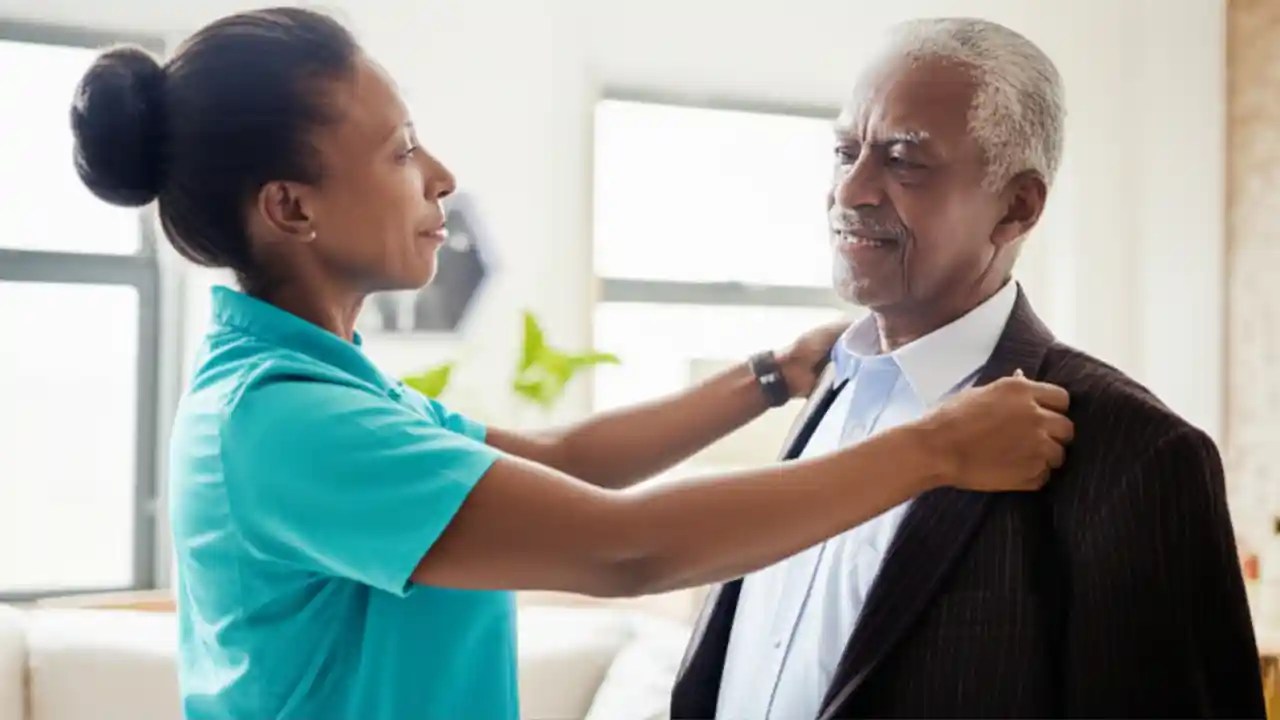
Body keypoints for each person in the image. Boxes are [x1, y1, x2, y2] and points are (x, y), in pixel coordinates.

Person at [70, 9, 1074, 720]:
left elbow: (567, 458)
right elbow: (620, 549)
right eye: (400, 151)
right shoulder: (283, 425)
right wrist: (933, 449)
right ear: (291, 208)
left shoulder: (323, 385)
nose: (442, 178)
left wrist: (772, 372)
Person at [671, 17, 1264, 720]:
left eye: (904, 160)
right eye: (844, 151)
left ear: (1017, 206)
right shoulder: (827, 388)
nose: (849, 191)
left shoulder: (1137, 455)